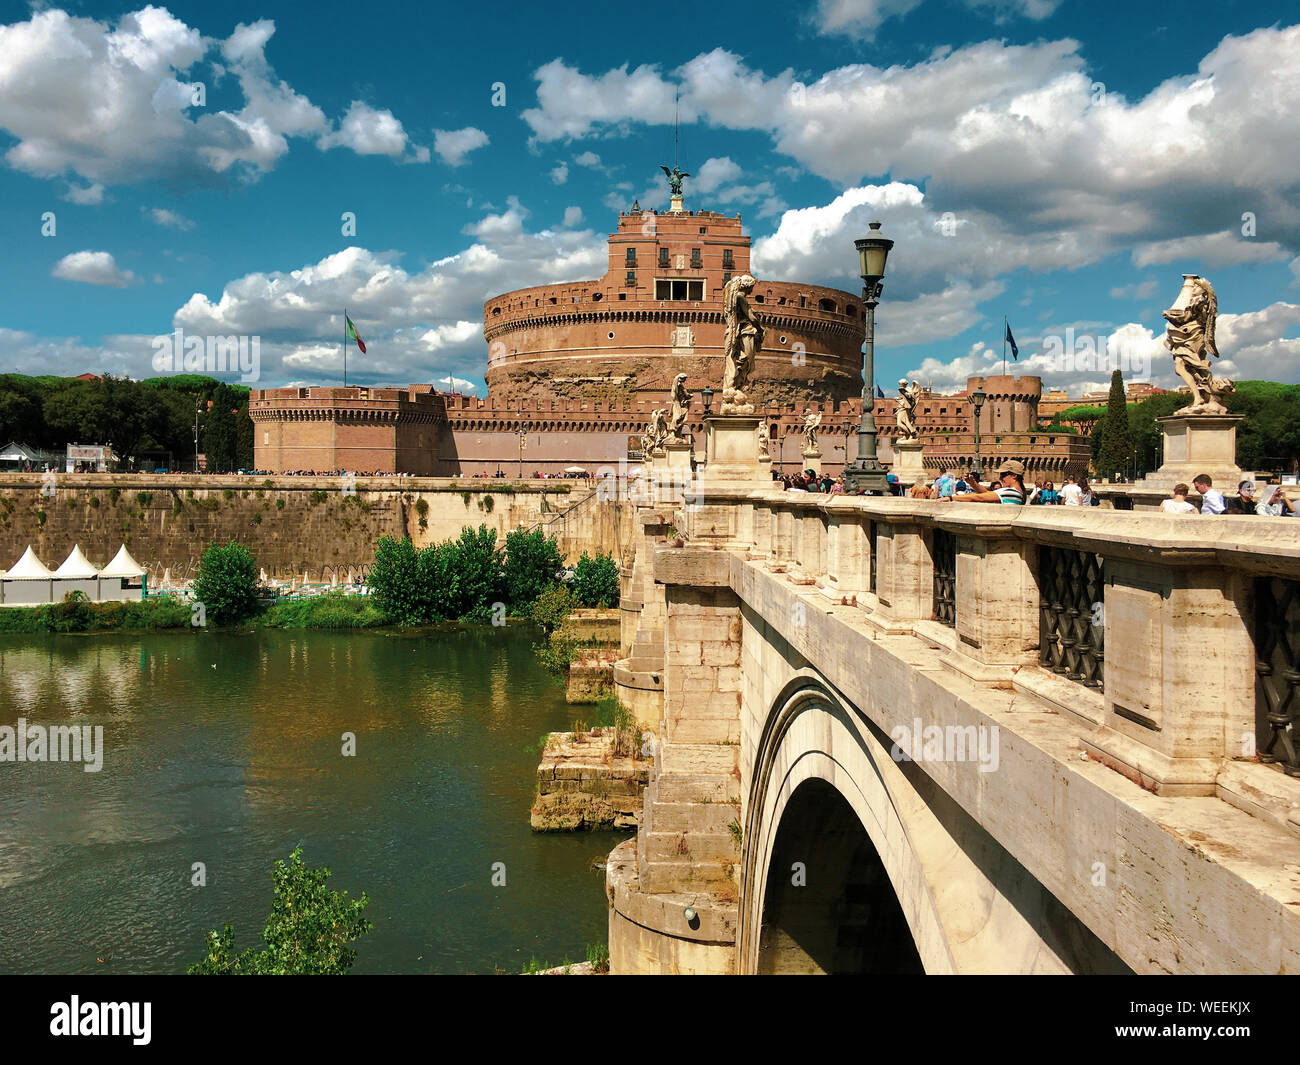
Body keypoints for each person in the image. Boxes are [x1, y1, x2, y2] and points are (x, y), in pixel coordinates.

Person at [948, 459, 1026, 504]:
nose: (1000, 478)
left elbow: (979, 497)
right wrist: (973, 484)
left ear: (1014, 475)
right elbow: (987, 493)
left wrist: (950, 498)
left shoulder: (1011, 492)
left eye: (1003, 474)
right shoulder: (1017, 492)